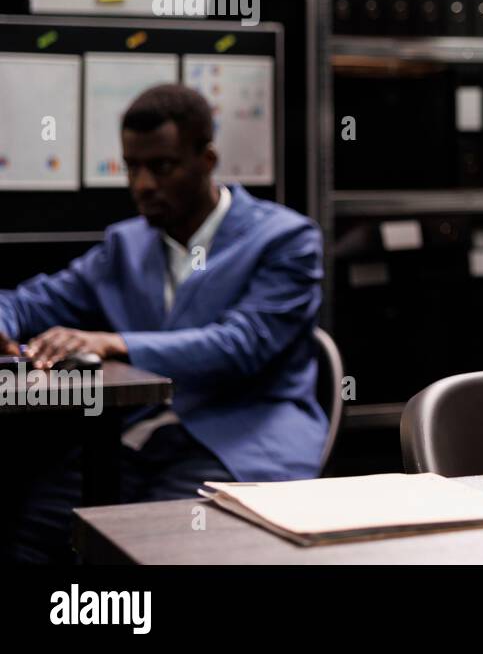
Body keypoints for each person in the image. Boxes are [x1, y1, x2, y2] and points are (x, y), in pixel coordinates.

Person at [1, 84, 325, 563]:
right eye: (132, 167)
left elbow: (241, 344)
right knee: (33, 537)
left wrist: (115, 342)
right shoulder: (125, 246)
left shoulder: (285, 240)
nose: (142, 185)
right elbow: (27, 302)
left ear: (207, 158)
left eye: (162, 166)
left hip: (242, 438)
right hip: (140, 439)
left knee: (152, 547)